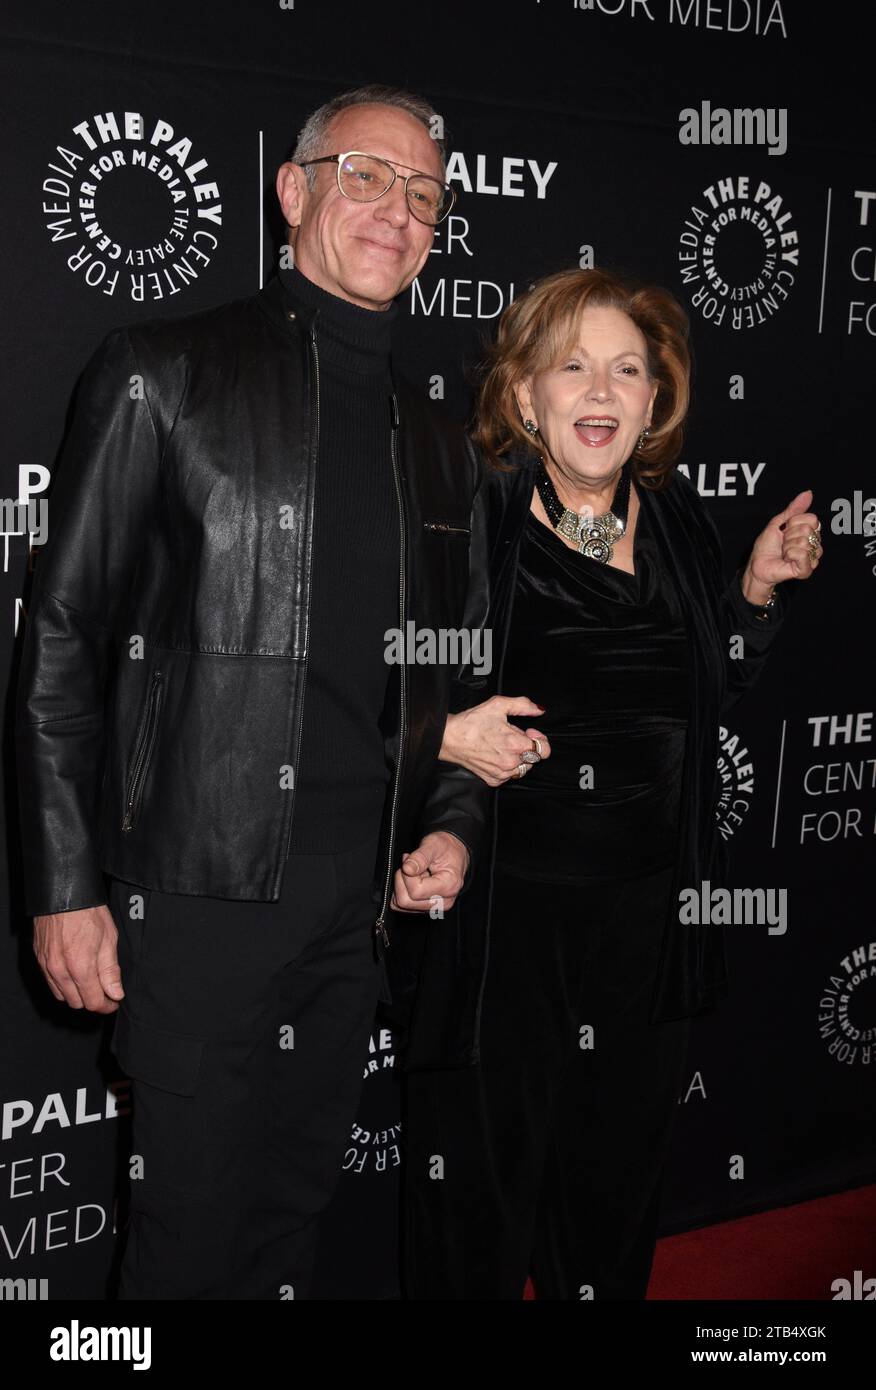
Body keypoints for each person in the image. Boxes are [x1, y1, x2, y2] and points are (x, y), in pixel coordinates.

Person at [15, 84, 496, 1300]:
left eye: (426, 192)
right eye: (367, 175)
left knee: (293, 1219)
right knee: (182, 1241)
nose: (399, 209)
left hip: (358, 899)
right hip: (198, 890)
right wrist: (66, 884)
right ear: (293, 191)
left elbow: (455, 673)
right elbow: (62, 635)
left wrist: (448, 817)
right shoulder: (162, 371)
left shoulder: (442, 441)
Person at [398, 266, 823, 1300]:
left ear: (655, 398)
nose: (600, 390)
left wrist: (755, 591)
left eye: (626, 369)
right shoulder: (473, 516)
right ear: (524, 394)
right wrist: (439, 756)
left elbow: (697, 682)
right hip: (506, 926)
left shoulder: (672, 520)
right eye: (571, 366)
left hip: (646, 924)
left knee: (613, 1197)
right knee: (479, 1209)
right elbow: (400, 687)